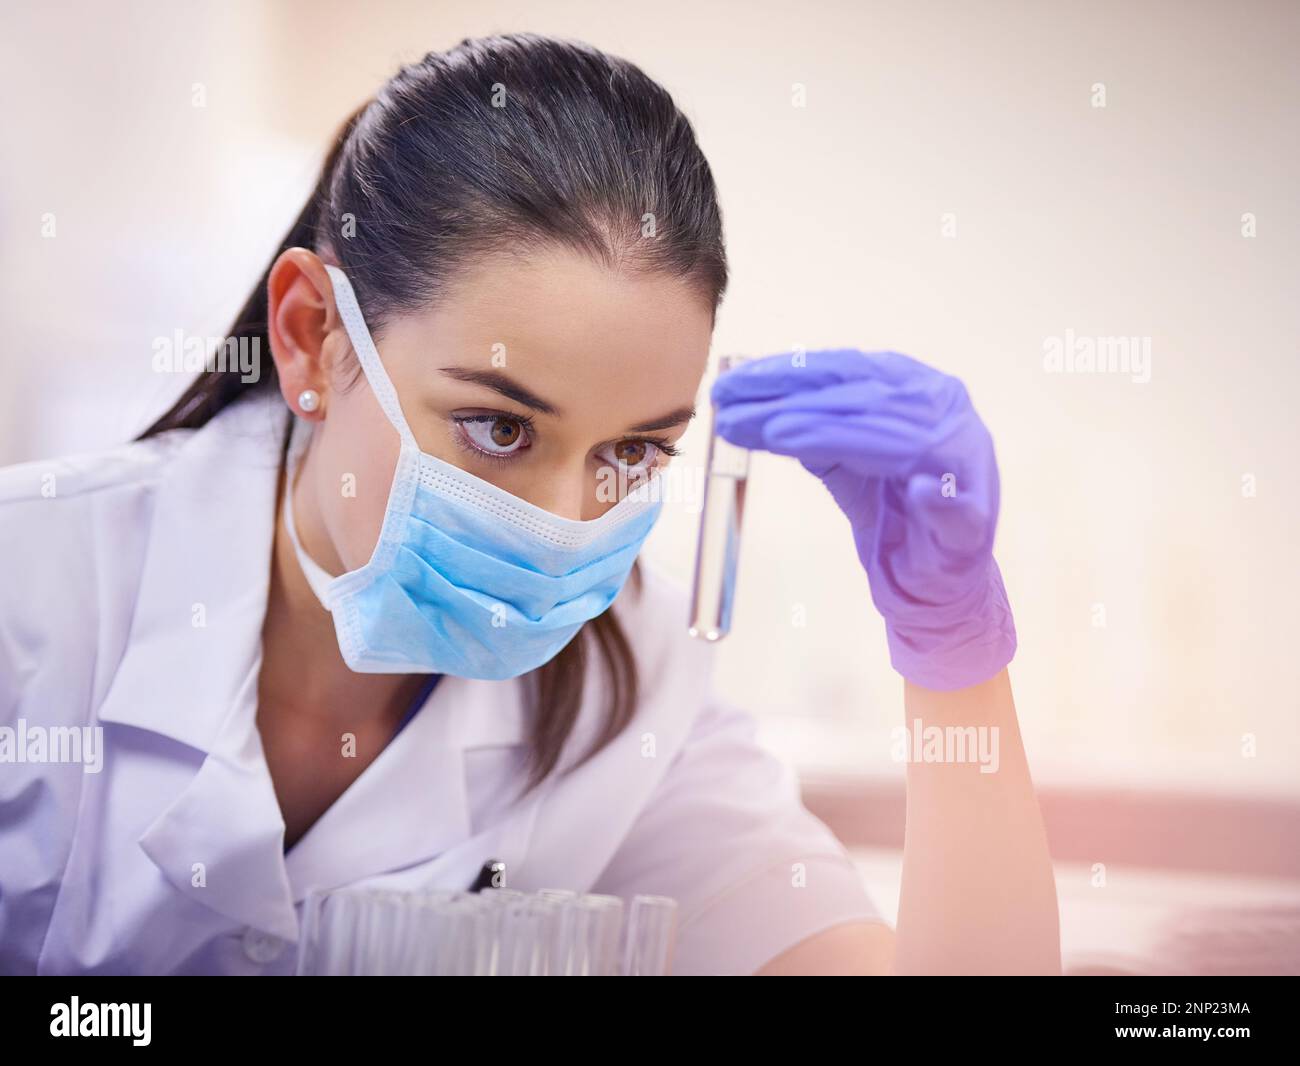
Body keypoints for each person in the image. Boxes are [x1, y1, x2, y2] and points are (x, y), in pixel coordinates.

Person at [0, 33, 1058, 976]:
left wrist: (953, 650)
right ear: (313, 334)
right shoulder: (30, 589)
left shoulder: (627, 693)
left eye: (633, 450)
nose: (562, 519)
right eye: (500, 428)